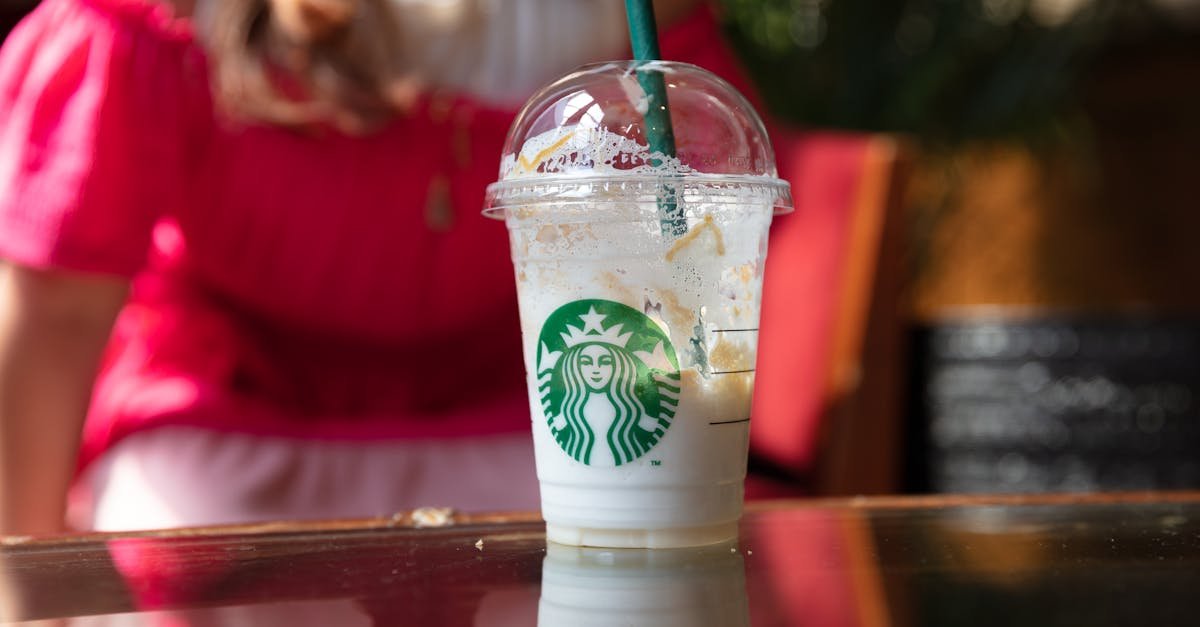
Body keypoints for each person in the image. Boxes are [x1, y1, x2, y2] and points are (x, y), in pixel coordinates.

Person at [0, 0, 745, 538]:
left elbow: (689, 273)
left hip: (525, 425)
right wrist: (23, 583)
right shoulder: (158, 22)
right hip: (227, 422)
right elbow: (53, 316)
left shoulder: (632, 23)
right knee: (170, 541)